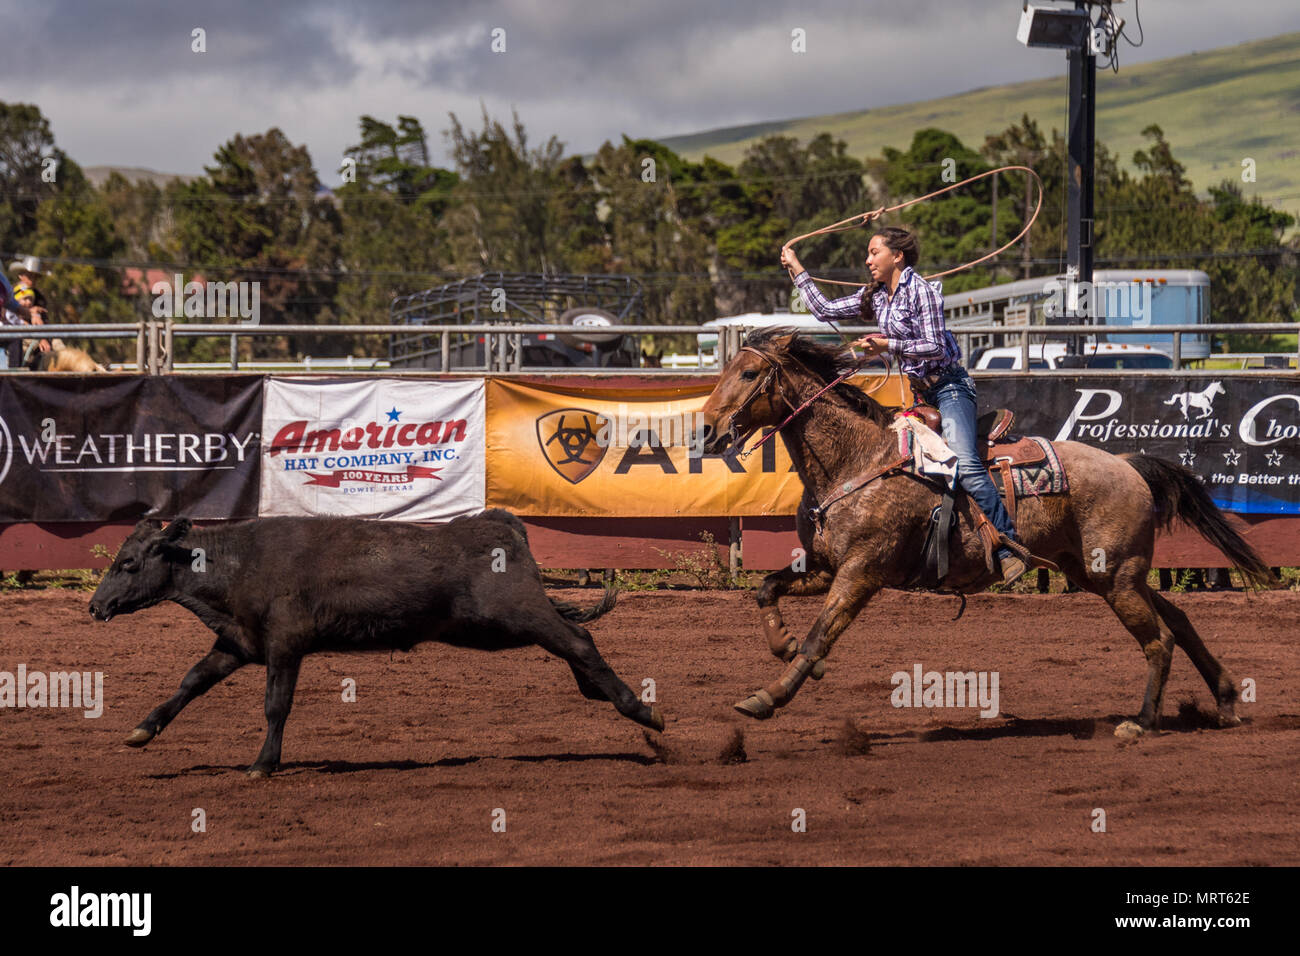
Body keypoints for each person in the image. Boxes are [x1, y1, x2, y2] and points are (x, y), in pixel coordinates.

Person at [781, 227, 1028, 586]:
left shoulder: (923, 291)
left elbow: (934, 347)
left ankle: (1008, 547)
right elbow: (824, 310)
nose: (867, 260)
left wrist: (886, 345)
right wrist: (796, 267)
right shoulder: (878, 296)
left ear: (897, 255)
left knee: (966, 461)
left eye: (874, 252)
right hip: (921, 397)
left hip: (950, 390)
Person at [5, 256, 50, 368]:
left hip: (40, 331)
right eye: (30, 276)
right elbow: (10, 315)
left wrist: (43, 337)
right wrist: (31, 312)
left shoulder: (40, 298)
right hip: (19, 334)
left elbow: (43, 319)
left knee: (57, 344)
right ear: (21, 275)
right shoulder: (11, 293)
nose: (33, 280)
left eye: (35, 277)